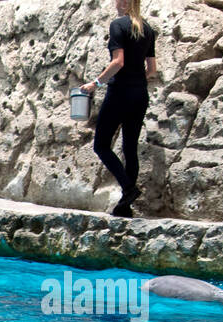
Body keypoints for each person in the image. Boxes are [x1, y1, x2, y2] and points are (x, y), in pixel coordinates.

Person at [81, 0, 158, 218]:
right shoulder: (147, 29)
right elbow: (152, 69)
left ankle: (128, 188)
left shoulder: (118, 25)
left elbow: (118, 62)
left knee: (101, 145)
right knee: (129, 148)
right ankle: (125, 206)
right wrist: (137, 81)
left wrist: (95, 84)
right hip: (140, 94)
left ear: (123, 2)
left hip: (119, 93)